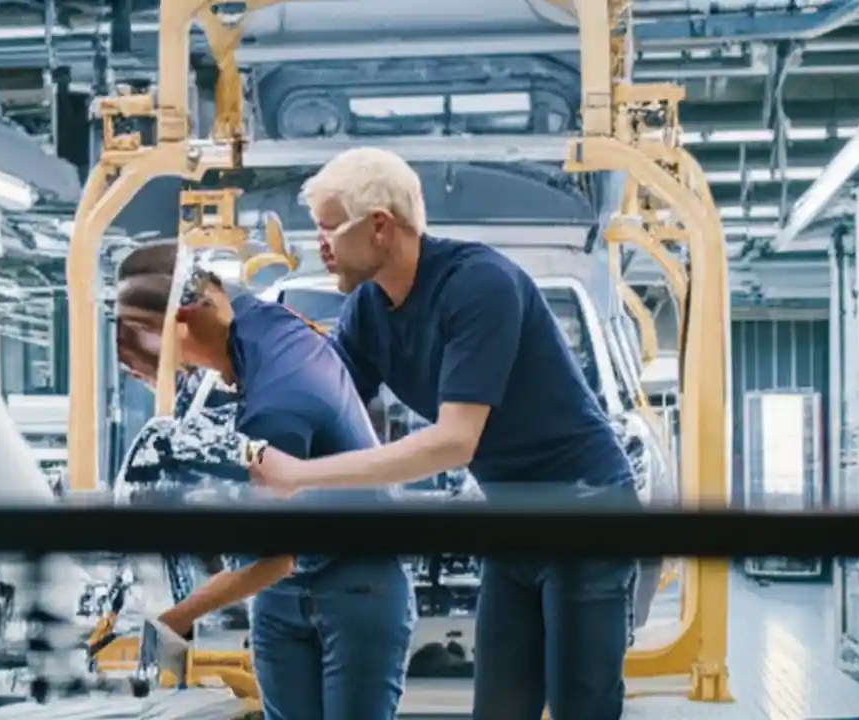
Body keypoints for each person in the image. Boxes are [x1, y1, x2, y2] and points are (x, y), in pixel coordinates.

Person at [250, 147, 639, 720]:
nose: (321, 244)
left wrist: (299, 475)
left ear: (380, 226)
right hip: (512, 524)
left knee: (583, 706)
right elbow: (321, 403)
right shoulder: (367, 310)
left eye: (330, 227)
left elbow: (456, 442)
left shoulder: (479, 286)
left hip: (587, 512)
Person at [114, 241, 416, 720]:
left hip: (356, 584)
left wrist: (174, 620)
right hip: (285, 591)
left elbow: (275, 557)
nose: (181, 377)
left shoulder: (279, 400)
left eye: (172, 363)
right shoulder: (253, 320)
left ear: (185, 324)